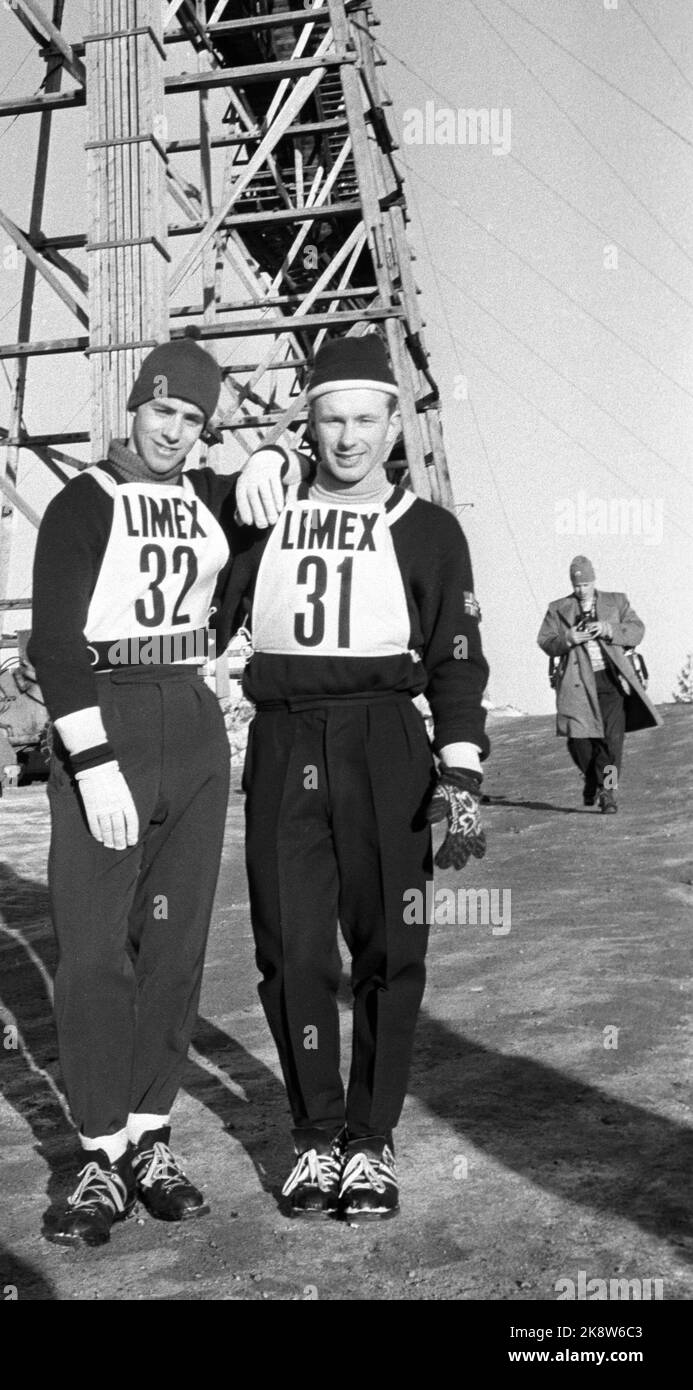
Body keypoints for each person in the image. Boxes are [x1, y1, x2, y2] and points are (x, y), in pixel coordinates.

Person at [212, 333, 490, 1222]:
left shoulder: (429, 531)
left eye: (364, 419)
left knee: (388, 948)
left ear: (391, 422)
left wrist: (461, 772)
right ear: (308, 422)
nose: (346, 439)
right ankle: (313, 1136)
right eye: (328, 420)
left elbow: (456, 655)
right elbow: (173, 511)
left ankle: (368, 1144)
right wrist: (250, 462)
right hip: (286, 738)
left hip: (383, 741)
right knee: (290, 950)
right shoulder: (264, 509)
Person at [27, 336, 290, 1248]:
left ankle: (149, 1136)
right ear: (131, 409)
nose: (174, 431)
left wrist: (272, 454)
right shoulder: (83, 503)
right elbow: (54, 645)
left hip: (191, 718)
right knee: (97, 951)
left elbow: (269, 502)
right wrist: (91, 762)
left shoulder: (208, 500)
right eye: (162, 412)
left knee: (174, 949)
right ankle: (97, 1155)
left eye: (193, 421)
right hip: (108, 717)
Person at [536, 556, 660, 813]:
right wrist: (568, 638)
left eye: (585, 584)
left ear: (593, 581)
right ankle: (593, 779)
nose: (581, 590)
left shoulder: (616, 601)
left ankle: (609, 792)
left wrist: (607, 628)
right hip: (577, 683)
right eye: (577, 584)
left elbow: (637, 629)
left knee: (612, 743)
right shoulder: (558, 608)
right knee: (579, 740)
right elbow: (546, 641)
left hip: (612, 681)